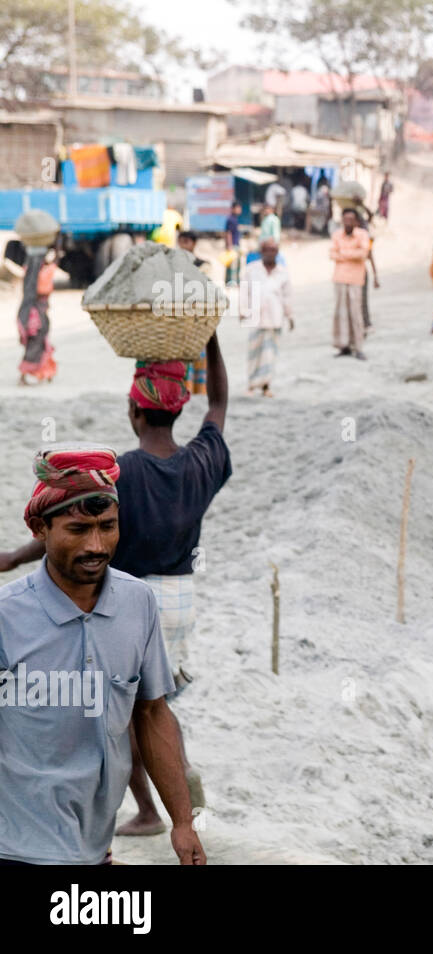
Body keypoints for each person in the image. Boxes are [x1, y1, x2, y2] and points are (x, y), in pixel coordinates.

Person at [0, 347, 231, 840]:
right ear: (181, 408)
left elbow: (74, 528)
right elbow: (219, 407)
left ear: (132, 411)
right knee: (154, 702)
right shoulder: (202, 462)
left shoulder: (123, 473)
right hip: (181, 597)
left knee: (121, 710)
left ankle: (149, 807)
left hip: (122, 599)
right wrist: (211, 343)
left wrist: (14, 558)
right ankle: (177, 779)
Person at [0, 446, 205, 864]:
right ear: (40, 529)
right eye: (78, 530)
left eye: (107, 526)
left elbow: (151, 713)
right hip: (16, 844)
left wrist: (182, 822)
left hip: (95, 843)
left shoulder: (138, 603)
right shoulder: (7, 615)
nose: (97, 544)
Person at [243, 238, 293, 397]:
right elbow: (245, 291)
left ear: (277, 253)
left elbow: (287, 296)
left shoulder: (283, 272)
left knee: (270, 353)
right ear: (261, 252)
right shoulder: (252, 270)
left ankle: (266, 385)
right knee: (254, 353)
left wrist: (290, 315)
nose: (270, 253)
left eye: (273, 250)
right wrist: (243, 310)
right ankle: (251, 385)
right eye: (267, 250)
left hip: (275, 317)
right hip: (255, 317)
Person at [330, 208, 369, 359]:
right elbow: (332, 254)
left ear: (356, 221)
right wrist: (351, 254)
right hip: (339, 278)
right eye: (345, 219)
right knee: (340, 314)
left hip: (355, 279)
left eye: (350, 219)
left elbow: (363, 254)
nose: (348, 222)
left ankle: (358, 346)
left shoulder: (362, 235)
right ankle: (343, 345)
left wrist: (343, 254)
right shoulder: (336, 235)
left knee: (355, 313)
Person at [17, 249, 57, 385]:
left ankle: (46, 374)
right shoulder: (37, 274)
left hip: (39, 313)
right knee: (36, 344)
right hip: (36, 315)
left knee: (40, 344)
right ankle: (30, 375)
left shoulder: (34, 272)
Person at [177, 232, 209, 396]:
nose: (183, 246)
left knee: (198, 356)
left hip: (197, 319)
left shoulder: (203, 265)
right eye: (180, 242)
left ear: (194, 244)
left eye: (186, 242)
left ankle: (197, 391)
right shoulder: (172, 265)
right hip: (179, 320)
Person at [224, 201, 243, 286]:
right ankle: (231, 282)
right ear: (233, 209)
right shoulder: (231, 219)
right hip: (233, 245)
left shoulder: (235, 219)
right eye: (238, 208)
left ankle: (235, 282)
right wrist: (229, 245)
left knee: (237, 264)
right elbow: (228, 233)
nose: (240, 210)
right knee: (233, 266)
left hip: (236, 244)